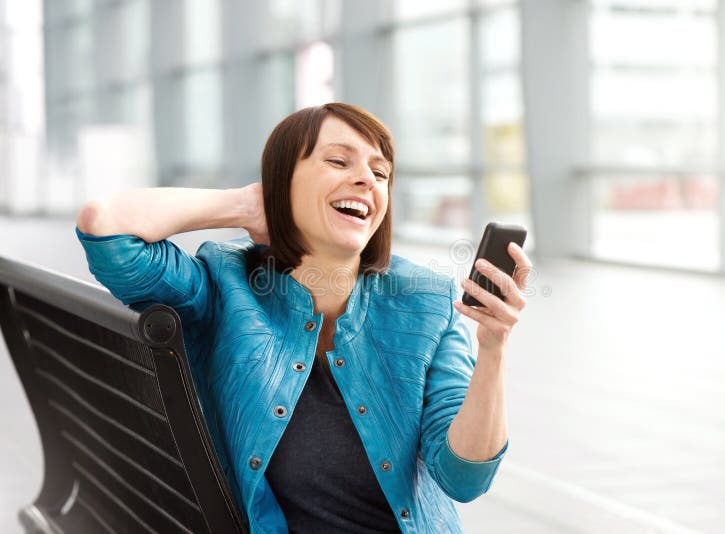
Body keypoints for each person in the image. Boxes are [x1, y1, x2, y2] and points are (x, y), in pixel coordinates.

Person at [75, 103, 531, 533]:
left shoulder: (427, 302)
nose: (366, 180)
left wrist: (493, 346)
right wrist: (246, 206)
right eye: (338, 161)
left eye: (380, 173)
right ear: (282, 181)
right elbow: (105, 226)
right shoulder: (224, 285)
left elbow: (464, 479)